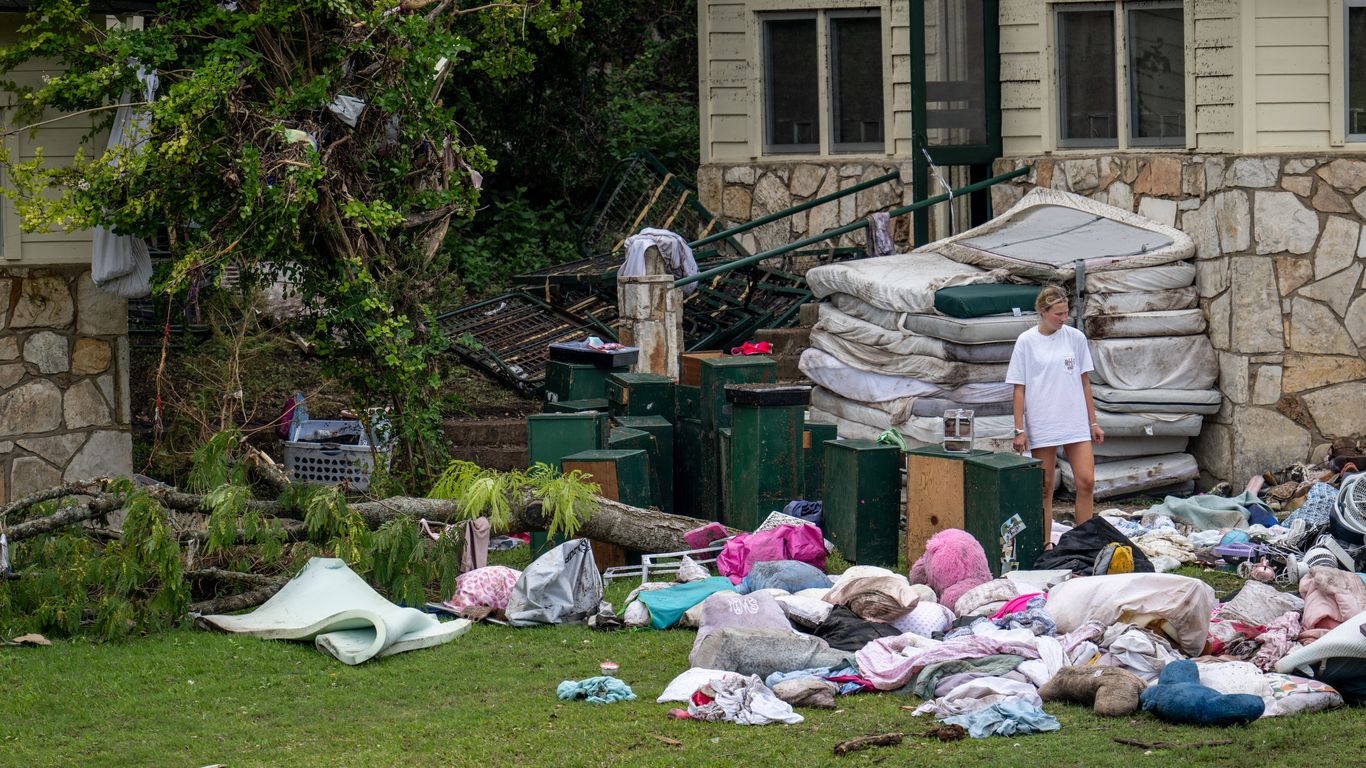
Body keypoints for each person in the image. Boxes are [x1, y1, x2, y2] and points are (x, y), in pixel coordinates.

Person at [1005, 285, 1104, 546]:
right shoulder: (1026, 341)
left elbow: (1085, 383)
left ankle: (1084, 541)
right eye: (1058, 314)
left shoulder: (1075, 338)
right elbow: (1019, 387)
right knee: (1045, 487)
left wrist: (1093, 422)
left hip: (1074, 420)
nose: (1063, 319)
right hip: (1042, 421)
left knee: (1087, 480)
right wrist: (1019, 429)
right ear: (1042, 311)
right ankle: (1045, 543)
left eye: (1065, 313)